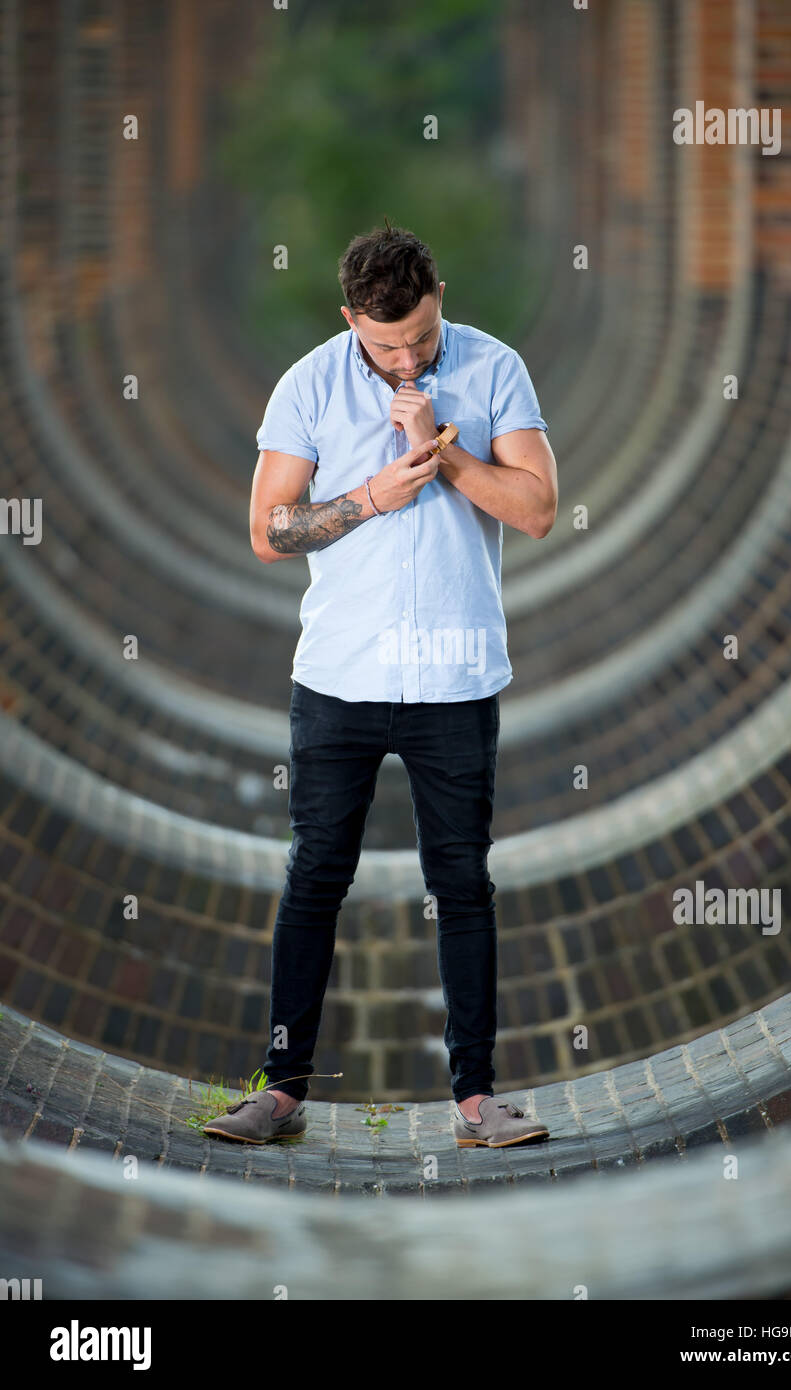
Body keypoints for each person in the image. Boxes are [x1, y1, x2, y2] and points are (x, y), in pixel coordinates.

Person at [204, 222, 557, 1149]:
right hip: (340, 675)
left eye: (421, 337)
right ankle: (280, 1091)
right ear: (350, 318)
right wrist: (368, 499)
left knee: (462, 883)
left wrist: (446, 459)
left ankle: (477, 1100)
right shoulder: (309, 384)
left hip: (455, 675)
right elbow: (266, 529)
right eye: (384, 342)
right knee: (315, 876)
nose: (405, 357)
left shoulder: (493, 369)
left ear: (439, 298)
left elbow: (537, 512)